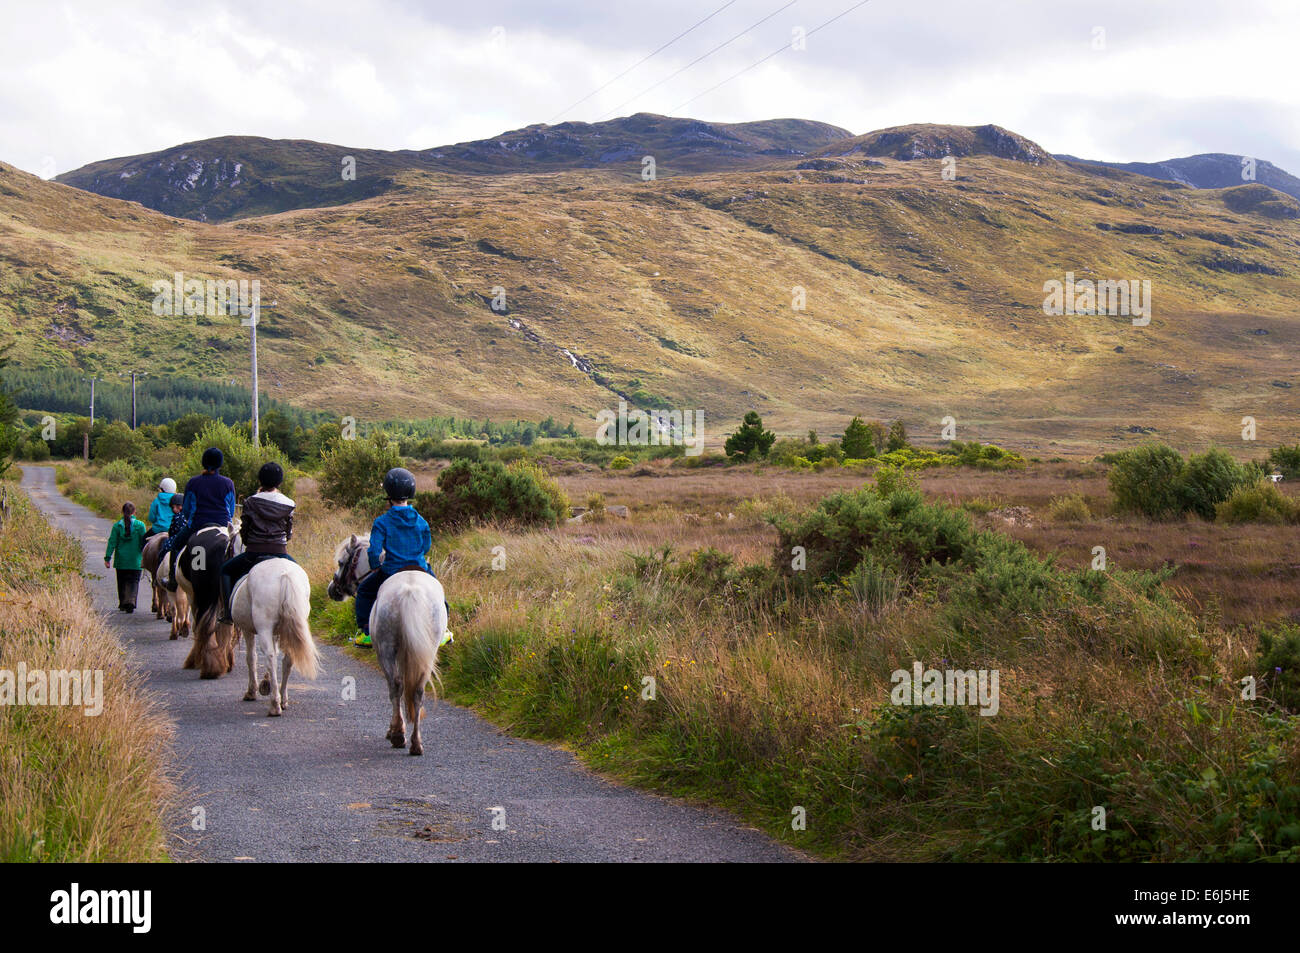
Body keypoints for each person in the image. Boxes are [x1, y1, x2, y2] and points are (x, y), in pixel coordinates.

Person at [352, 467, 436, 647]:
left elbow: (374, 551)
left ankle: (365, 631)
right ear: (410, 492)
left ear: (388, 493)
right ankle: (443, 630)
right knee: (438, 592)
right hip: (420, 567)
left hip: (391, 570)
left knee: (365, 591)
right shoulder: (421, 520)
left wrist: (375, 566)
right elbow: (426, 546)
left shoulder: (381, 522)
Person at [218, 462, 295, 624]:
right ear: (279, 482)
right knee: (300, 575)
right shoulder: (289, 503)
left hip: (254, 552)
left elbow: (245, 529)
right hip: (279, 552)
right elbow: (288, 533)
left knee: (225, 570)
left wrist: (248, 542)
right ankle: (300, 614)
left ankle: (227, 613)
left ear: (260, 481)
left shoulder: (250, 502)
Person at [164, 447, 237, 591]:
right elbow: (232, 509)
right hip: (223, 525)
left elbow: (185, 510)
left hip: (197, 525)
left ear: (203, 463)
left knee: (176, 544)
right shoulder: (228, 483)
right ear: (219, 464)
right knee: (235, 550)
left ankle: (173, 581)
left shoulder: (193, 482)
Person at [105, 501, 148, 612]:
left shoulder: (117, 526)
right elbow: (144, 543)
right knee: (134, 581)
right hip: (135, 560)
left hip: (121, 560)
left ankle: (123, 602)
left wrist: (107, 558)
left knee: (122, 581)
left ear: (122, 512)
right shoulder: (140, 525)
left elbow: (112, 542)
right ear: (134, 512)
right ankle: (131, 600)